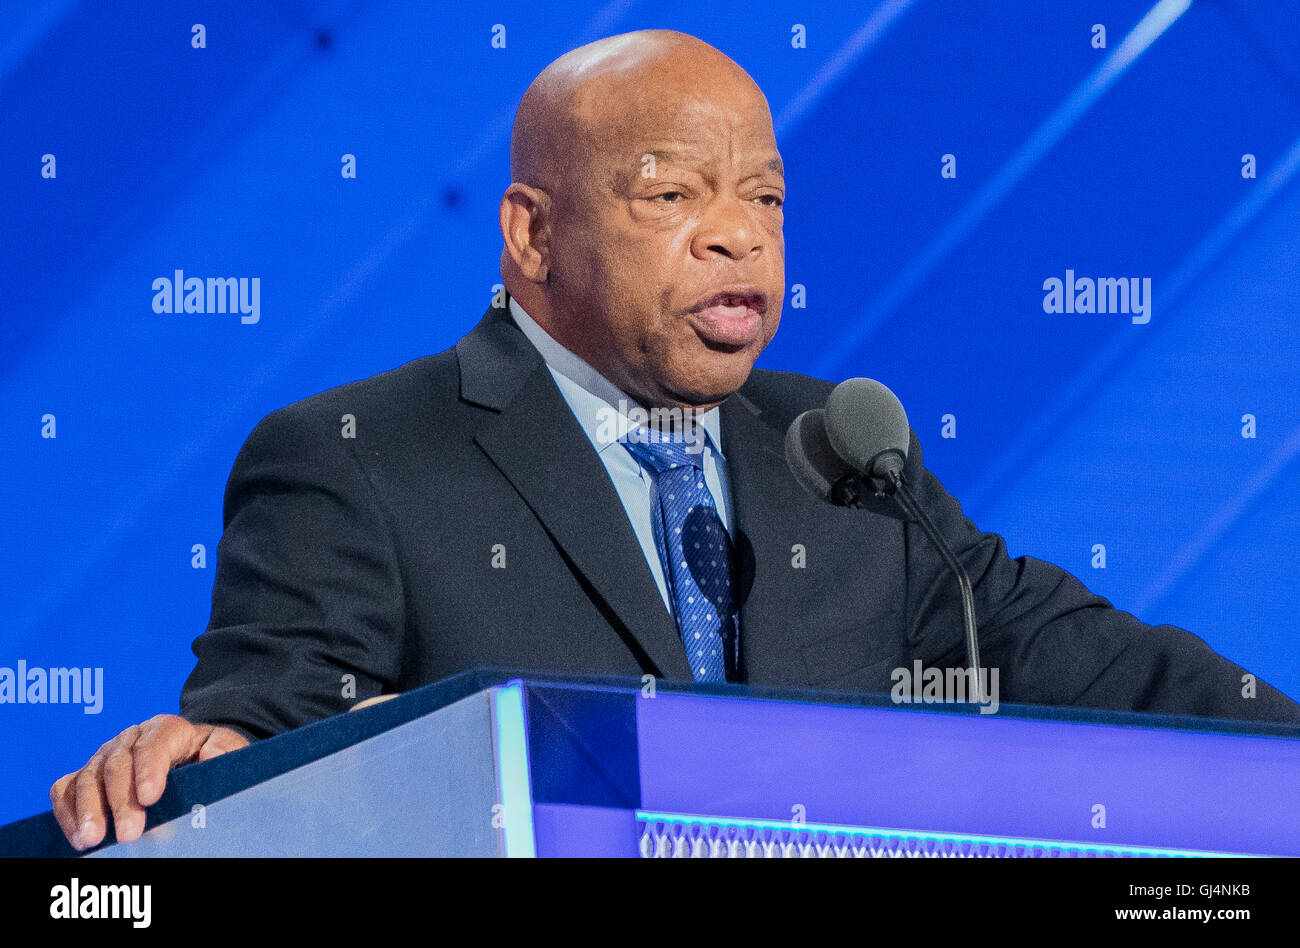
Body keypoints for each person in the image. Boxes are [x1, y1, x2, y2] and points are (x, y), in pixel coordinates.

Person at [49, 29, 1300, 851]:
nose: (738, 235)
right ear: (531, 238)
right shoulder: (358, 454)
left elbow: (1071, 656)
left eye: (763, 197)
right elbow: (275, 714)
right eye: (672, 195)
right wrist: (212, 757)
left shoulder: (839, 452)